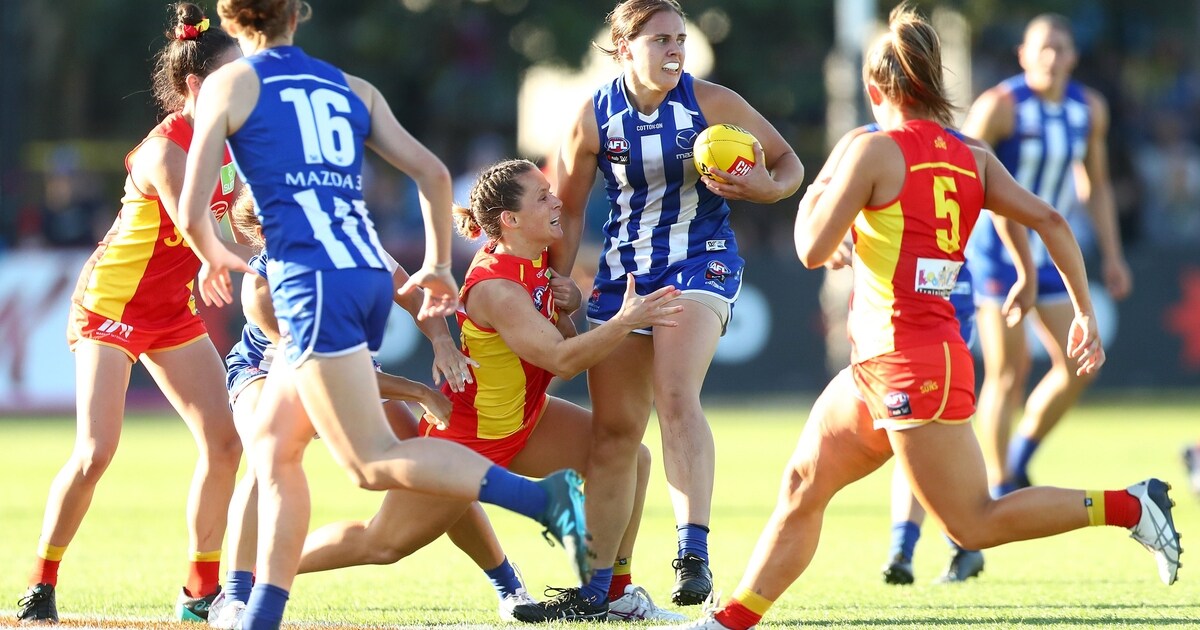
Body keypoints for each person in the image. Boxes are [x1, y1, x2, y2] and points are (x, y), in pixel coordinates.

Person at [653, 6, 1180, 629]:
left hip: (910, 366)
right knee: (803, 484)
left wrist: (801, 190)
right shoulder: (972, 155)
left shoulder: (871, 150)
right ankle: (728, 623)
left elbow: (812, 250)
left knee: (974, 523)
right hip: (885, 363)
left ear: (877, 89)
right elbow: (1051, 220)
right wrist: (1083, 310)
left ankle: (1132, 506)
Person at [175, 3, 592, 627]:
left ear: (233, 23)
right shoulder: (353, 87)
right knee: (274, 447)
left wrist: (211, 254)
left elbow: (191, 206)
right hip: (369, 272)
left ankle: (542, 500)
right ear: (298, 14)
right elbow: (433, 172)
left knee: (366, 462)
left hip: (310, 282)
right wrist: (439, 264)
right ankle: (250, 608)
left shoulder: (230, 84)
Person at [548, 0, 805, 611]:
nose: (674, 51)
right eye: (661, 39)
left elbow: (789, 162)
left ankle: (693, 551)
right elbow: (569, 208)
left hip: (703, 261)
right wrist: (558, 285)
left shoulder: (713, 103)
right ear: (623, 46)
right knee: (612, 435)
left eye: (680, 40)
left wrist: (767, 188)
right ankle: (602, 590)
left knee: (674, 392)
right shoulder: (590, 118)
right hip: (623, 276)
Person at [206, 192, 540, 628]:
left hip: (351, 366)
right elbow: (317, 371)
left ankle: (508, 586)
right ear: (267, 235)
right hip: (269, 371)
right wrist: (418, 391)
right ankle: (234, 596)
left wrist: (441, 341)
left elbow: (413, 296)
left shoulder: (355, 243)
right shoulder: (261, 288)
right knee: (264, 456)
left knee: (429, 472)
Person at [16, 5, 245, 623]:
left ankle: (199, 594)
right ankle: (40, 582)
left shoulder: (228, 143)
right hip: (110, 305)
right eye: (234, 79)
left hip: (169, 311)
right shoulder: (165, 150)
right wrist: (224, 262)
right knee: (97, 451)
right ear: (197, 87)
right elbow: (197, 223)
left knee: (225, 443)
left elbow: (238, 226)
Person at [962, 13, 1134, 500]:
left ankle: (1016, 460)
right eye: (1043, 48)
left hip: (1051, 257)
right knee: (1007, 373)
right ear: (1023, 55)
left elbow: (1095, 184)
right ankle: (996, 487)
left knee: (1083, 364)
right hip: (997, 255)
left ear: (1074, 57)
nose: (1052, 58)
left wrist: (1113, 254)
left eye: (1061, 48)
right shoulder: (999, 106)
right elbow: (960, 173)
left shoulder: (1088, 110)